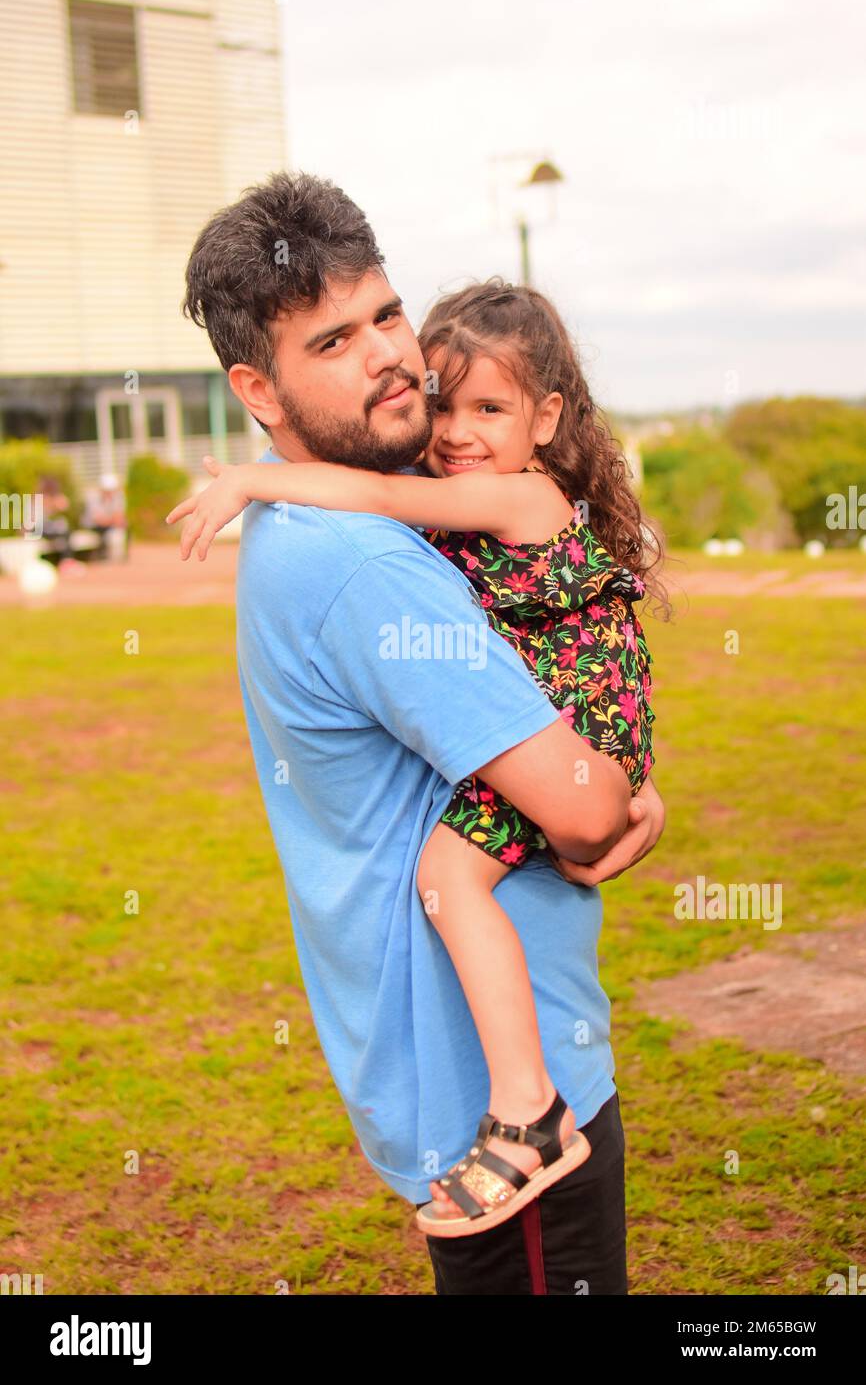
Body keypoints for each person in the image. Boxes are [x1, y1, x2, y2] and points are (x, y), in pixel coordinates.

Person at [177, 170, 666, 1293]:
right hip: (494, 1104)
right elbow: (585, 809)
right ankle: (528, 1111)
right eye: (335, 339)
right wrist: (626, 801)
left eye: (388, 314)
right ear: (257, 386)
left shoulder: (319, 523)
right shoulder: (359, 559)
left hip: (449, 1081)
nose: (390, 356)